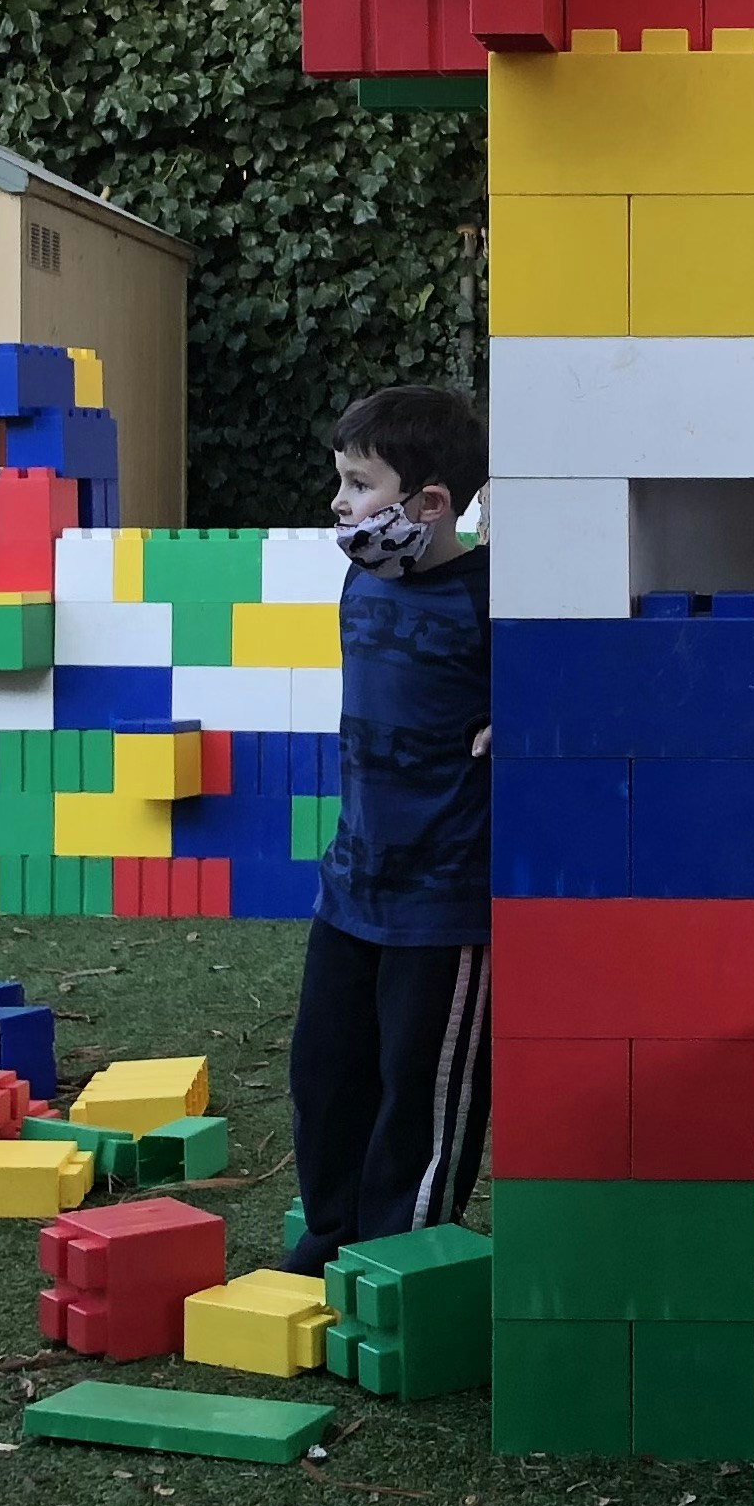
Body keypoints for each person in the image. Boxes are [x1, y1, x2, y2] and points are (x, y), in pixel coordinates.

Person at [282, 382, 493, 1275]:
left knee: (422, 1097)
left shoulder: (491, 597)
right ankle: (330, 1240)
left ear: (429, 503)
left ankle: (398, 1262)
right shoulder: (360, 579)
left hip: (443, 907)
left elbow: (578, 677)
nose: (340, 502)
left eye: (360, 484)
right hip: (351, 887)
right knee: (324, 1073)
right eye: (341, 479)